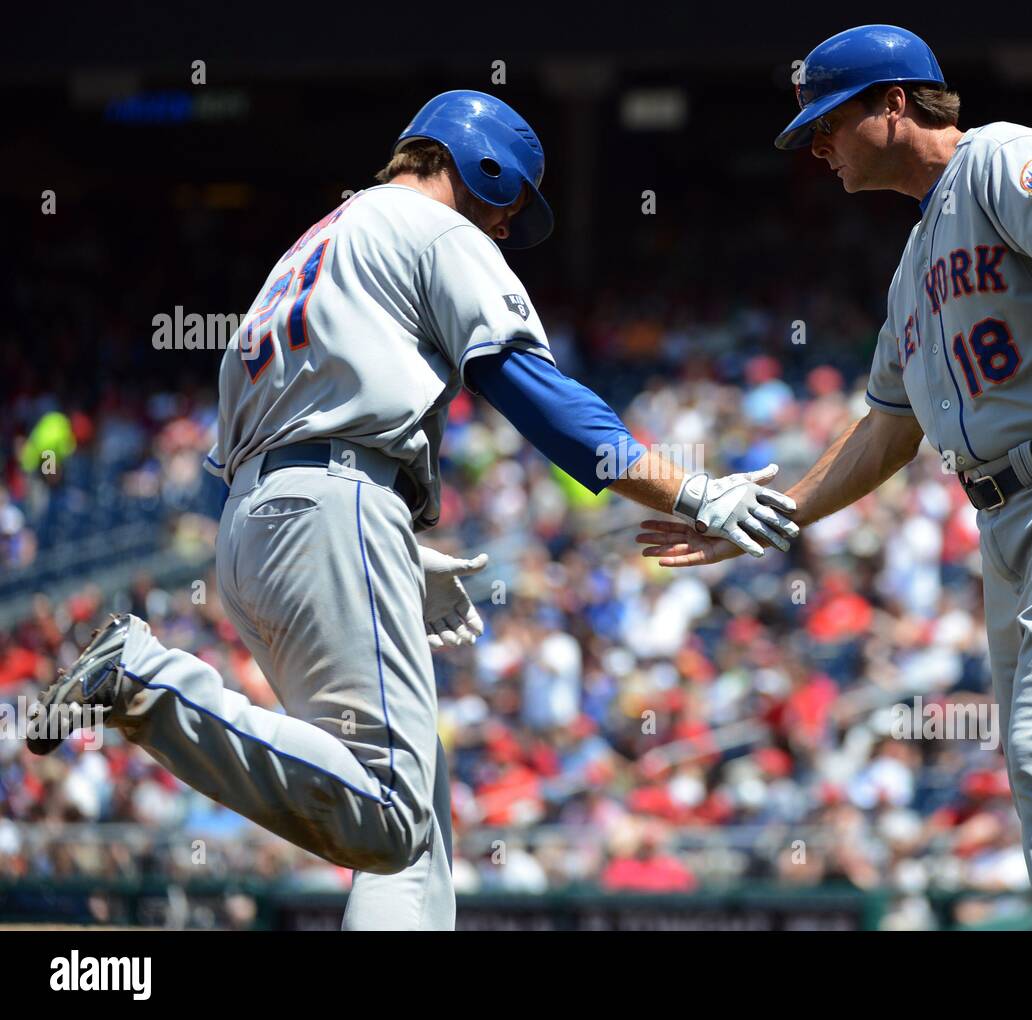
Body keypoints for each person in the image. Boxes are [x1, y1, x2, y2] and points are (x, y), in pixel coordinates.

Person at [27, 90, 798, 931]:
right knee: (391, 813)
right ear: (482, 164)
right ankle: (148, 681)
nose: (507, 228)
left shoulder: (319, 243)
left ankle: (149, 681)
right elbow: (538, 397)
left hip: (262, 517)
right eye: (512, 205)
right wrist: (692, 488)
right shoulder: (437, 229)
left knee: (413, 839)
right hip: (329, 508)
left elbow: (295, 425)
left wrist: (394, 539)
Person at [638, 26, 1032, 930]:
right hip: (1003, 512)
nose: (817, 146)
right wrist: (767, 516)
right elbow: (888, 430)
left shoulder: (1004, 155)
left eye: (828, 123)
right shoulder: (915, 265)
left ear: (894, 104)